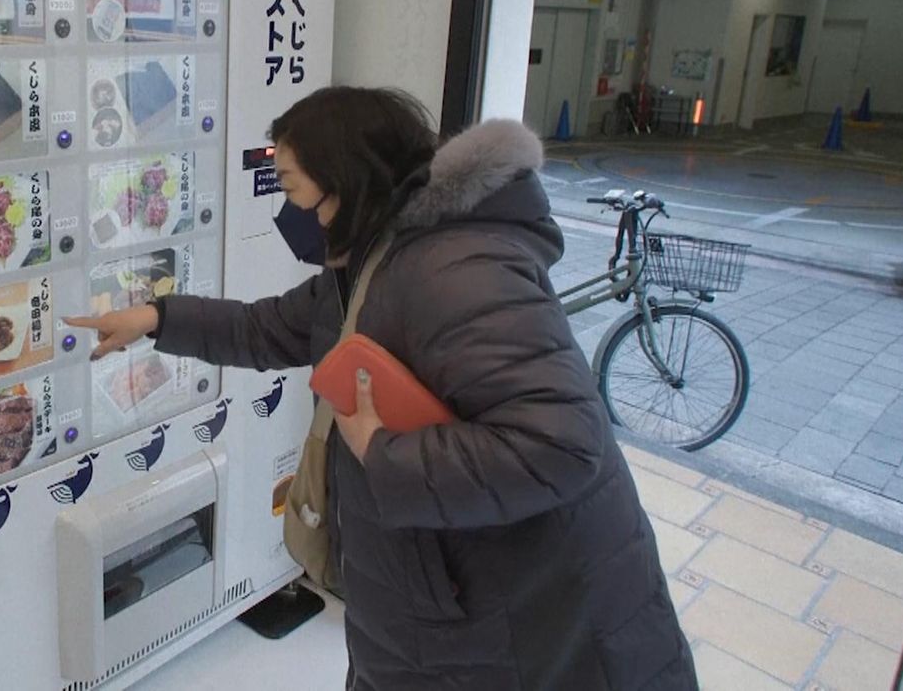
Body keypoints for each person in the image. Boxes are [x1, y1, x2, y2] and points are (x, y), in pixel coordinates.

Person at [67, 87, 697, 690]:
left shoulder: (454, 271)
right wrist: (156, 319)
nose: (287, 210)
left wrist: (381, 452)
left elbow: (562, 442)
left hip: (521, 618)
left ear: (344, 180)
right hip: (444, 601)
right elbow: (266, 328)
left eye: (291, 186)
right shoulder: (373, 262)